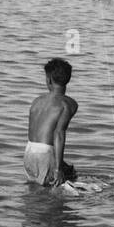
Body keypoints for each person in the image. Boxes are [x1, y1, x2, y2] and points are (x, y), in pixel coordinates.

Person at [26, 58, 78, 186]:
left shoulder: (37, 101)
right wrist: (57, 169)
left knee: (36, 191)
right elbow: (59, 134)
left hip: (29, 152)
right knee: (56, 189)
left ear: (48, 79)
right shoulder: (68, 104)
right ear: (68, 79)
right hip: (45, 153)